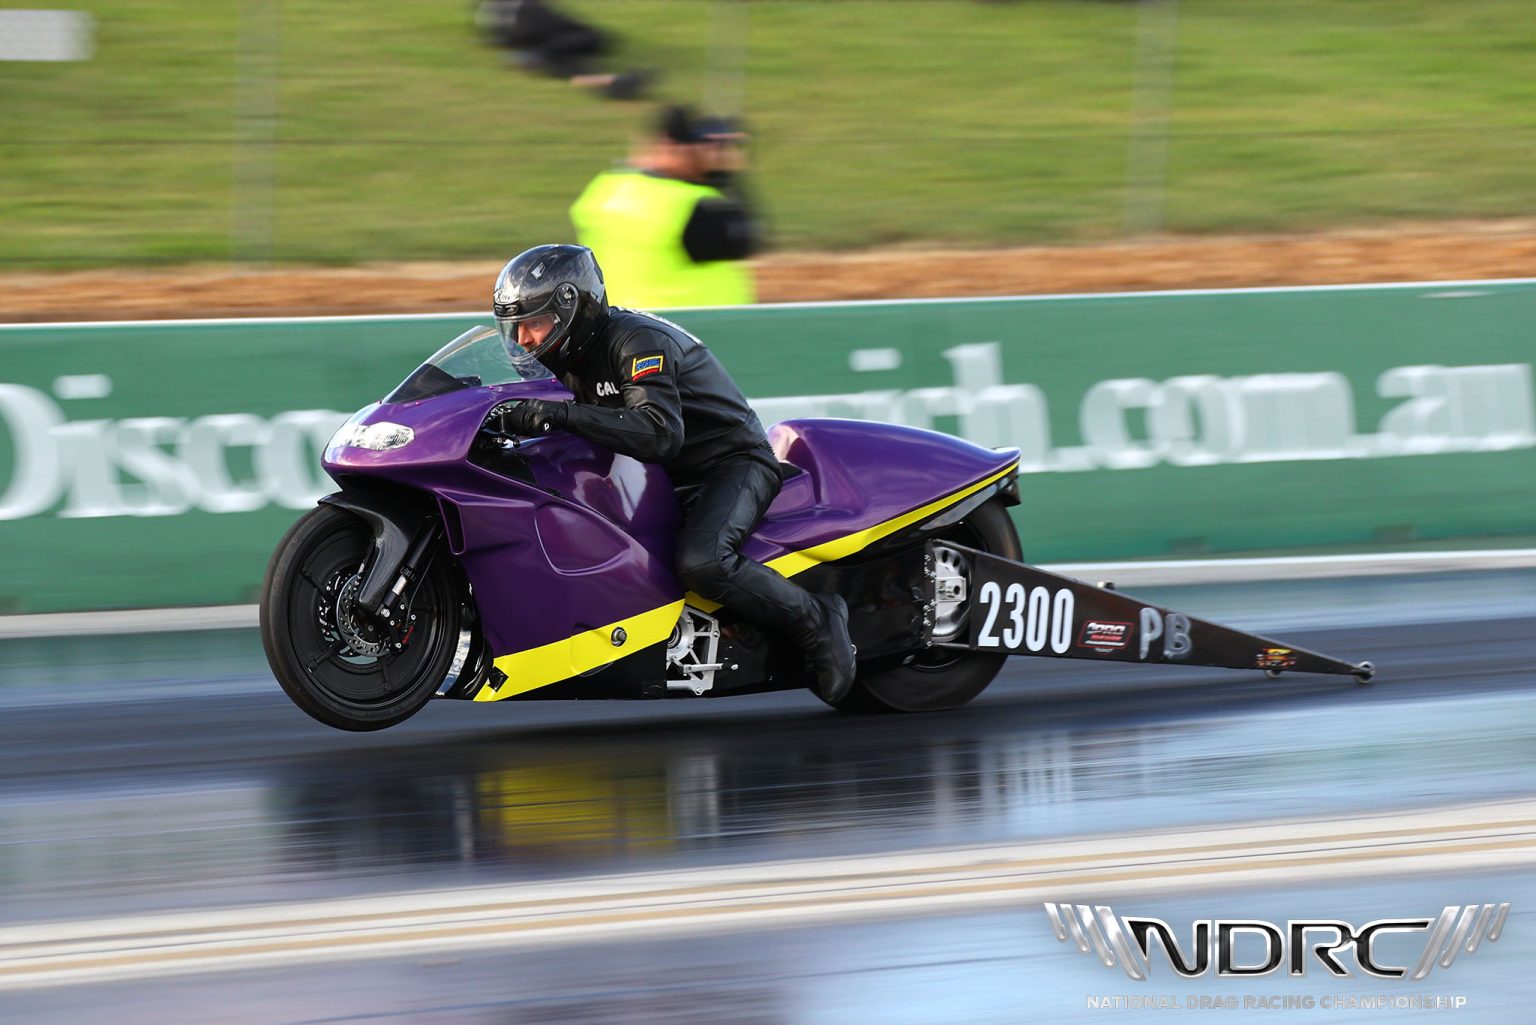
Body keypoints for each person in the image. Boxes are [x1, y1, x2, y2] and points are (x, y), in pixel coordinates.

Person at [490, 243, 855, 702]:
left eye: (534, 323)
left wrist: (557, 416)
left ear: (573, 308)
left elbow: (659, 433)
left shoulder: (637, 341)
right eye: (514, 326)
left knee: (703, 561)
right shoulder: (558, 359)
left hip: (729, 463)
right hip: (657, 479)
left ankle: (818, 620)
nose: (522, 339)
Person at [569, 105, 760, 309]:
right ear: (673, 146)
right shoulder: (694, 207)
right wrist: (726, 172)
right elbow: (749, 236)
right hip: (692, 332)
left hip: (619, 328)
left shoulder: (603, 191)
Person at [474, 0, 651, 100]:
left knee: (580, 41)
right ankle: (540, 56)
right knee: (591, 38)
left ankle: (540, 55)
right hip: (523, 16)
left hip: (513, 27)